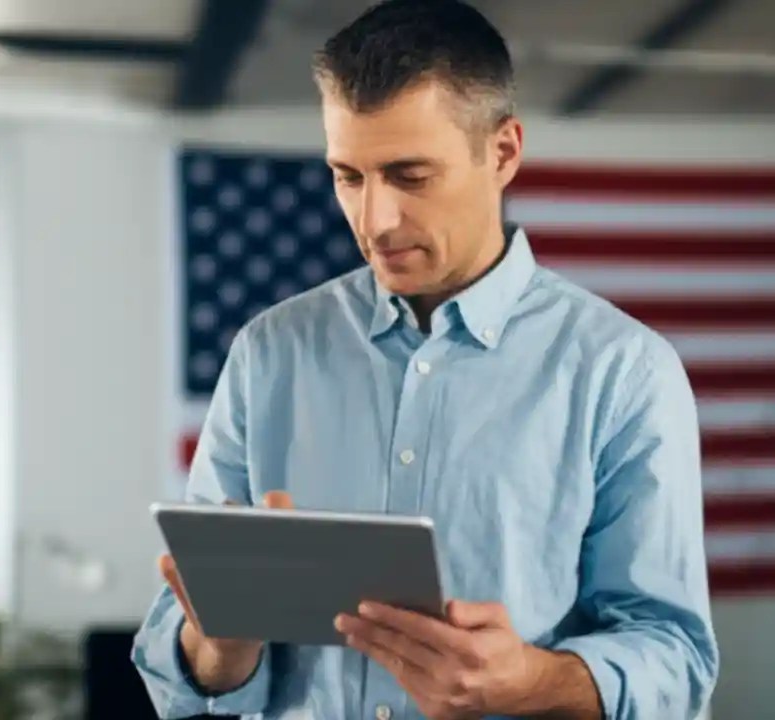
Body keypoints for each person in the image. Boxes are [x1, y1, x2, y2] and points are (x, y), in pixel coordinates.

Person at [131, 1, 719, 718]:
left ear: (502, 153)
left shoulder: (623, 372)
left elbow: (677, 661)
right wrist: (218, 651)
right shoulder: (268, 354)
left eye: (410, 176)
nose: (375, 220)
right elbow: (180, 660)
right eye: (349, 176)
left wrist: (533, 679)